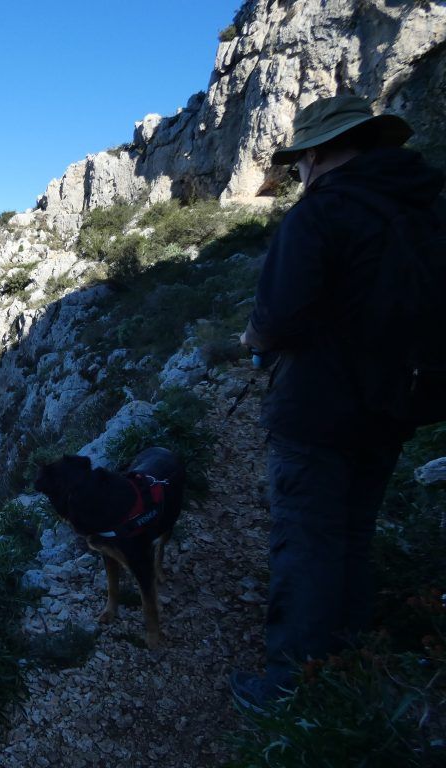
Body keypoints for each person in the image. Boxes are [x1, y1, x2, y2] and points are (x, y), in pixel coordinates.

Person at [229, 94, 445, 711]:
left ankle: (292, 683)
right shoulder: (428, 210)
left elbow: (277, 317)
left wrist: (252, 338)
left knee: (306, 537)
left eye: (300, 160)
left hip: (320, 406)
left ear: (319, 152)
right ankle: (347, 654)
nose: (298, 171)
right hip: (400, 401)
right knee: (353, 529)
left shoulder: (322, 212)